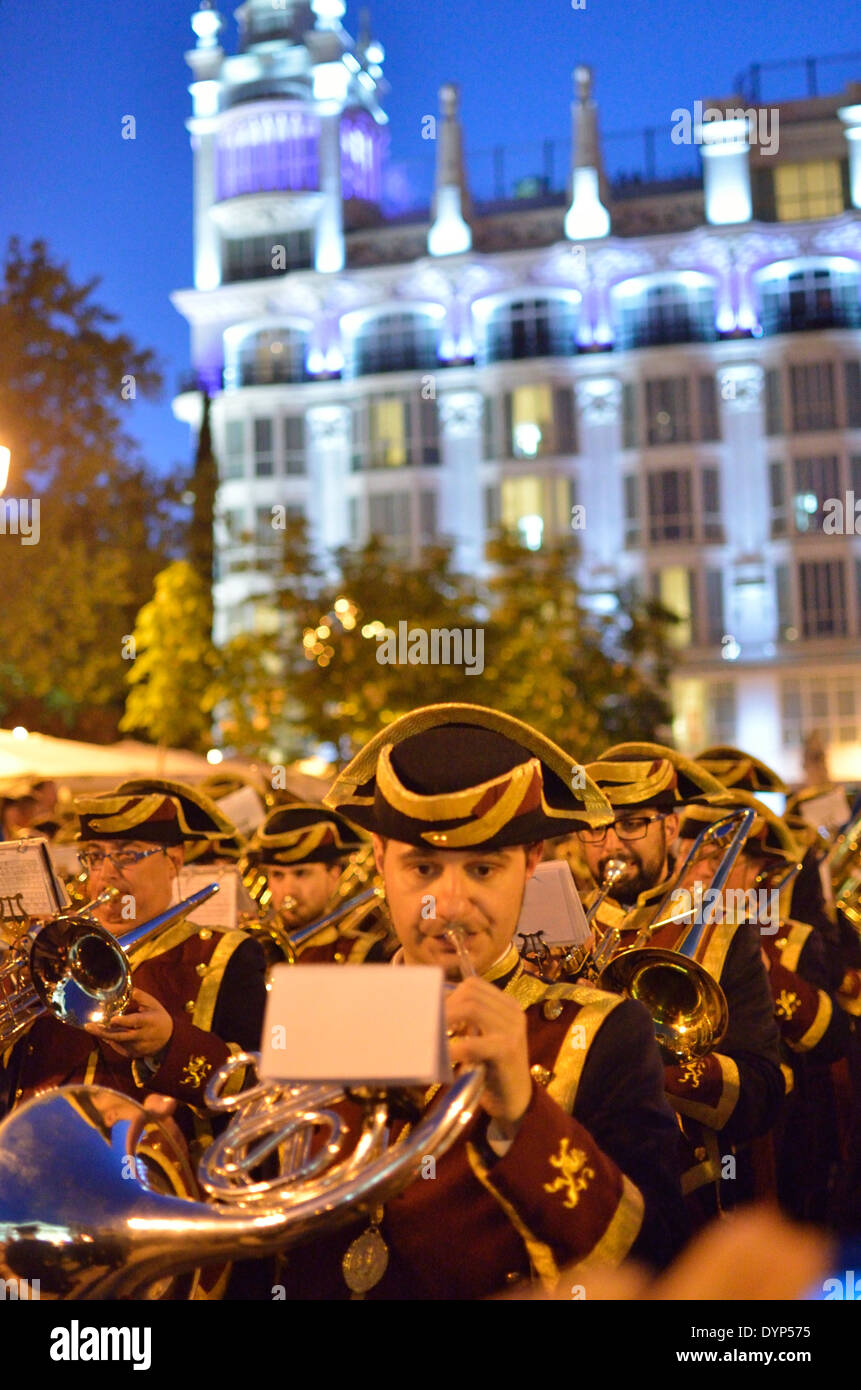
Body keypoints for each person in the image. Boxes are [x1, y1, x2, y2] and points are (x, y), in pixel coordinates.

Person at [272, 703, 689, 1300]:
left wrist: (526, 1115)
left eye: (484, 870)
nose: (449, 904)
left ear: (531, 862)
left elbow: (656, 1267)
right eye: (422, 868)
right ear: (380, 857)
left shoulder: (604, 1032)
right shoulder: (324, 1005)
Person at [1, 788, 267, 1162]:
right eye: (95, 856)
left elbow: (260, 1084)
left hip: (154, 1175)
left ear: (174, 861)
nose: (106, 873)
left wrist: (170, 1044)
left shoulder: (224, 954)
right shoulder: (49, 948)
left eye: (127, 855)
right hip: (34, 1166)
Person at [580, 744, 784, 1225]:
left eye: (632, 824)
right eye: (595, 828)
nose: (611, 845)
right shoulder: (551, 930)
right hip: (573, 1195)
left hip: (679, 1200)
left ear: (670, 828)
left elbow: (762, 1091)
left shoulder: (724, 930)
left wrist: (636, 1067)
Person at [242, 803, 395, 965]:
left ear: (333, 875)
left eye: (301, 873)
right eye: (277, 875)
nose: (288, 890)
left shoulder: (358, 953)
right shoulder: (253, 944)